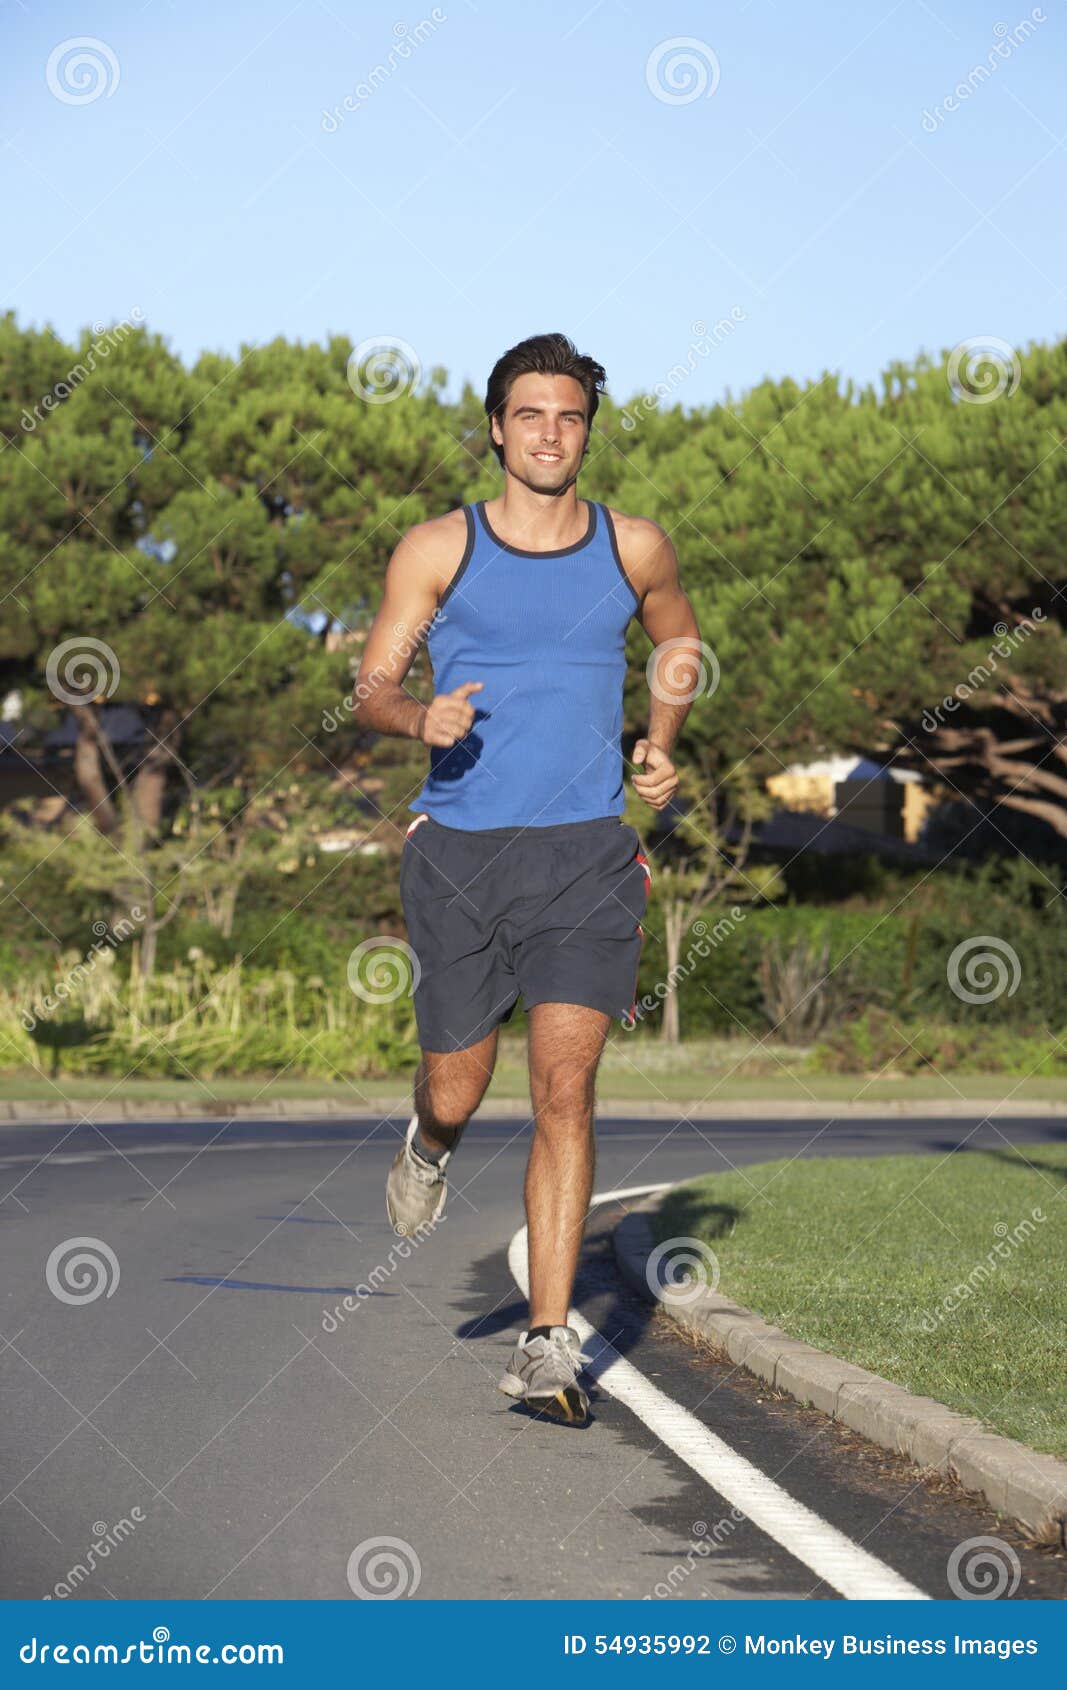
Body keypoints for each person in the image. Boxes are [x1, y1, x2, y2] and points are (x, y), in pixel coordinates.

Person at [354, 332, 701, 1423]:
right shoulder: (437, 549)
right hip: (457, 851)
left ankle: (546, 1342)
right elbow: (370, 685)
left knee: (565, 1089)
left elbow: (677, 642)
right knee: (457, 1080)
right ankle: (429, 1138)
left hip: (586, 853)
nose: (551, 434)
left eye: (570, 417)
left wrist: (658, 734)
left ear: (585, 431)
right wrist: (418, 713)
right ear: (497, 428)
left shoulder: (632, 546)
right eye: (530, 415)